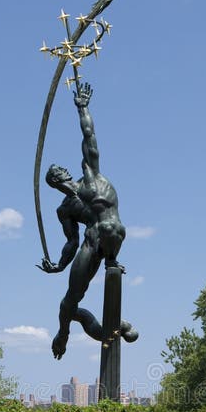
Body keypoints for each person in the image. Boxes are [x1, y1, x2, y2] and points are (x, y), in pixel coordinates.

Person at [38, 82, 138, 359]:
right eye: (55, 174)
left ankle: (112, 263)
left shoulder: (91, 176)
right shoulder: (65, 210)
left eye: (58, 169)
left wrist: (83, 107)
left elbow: (89, 135)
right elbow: (71, 243)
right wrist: (59, 266)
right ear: (53, 182)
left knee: (105, 228)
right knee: (68, 305)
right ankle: (79, 330)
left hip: (111, 233)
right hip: (93, 243)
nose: (59, 173)